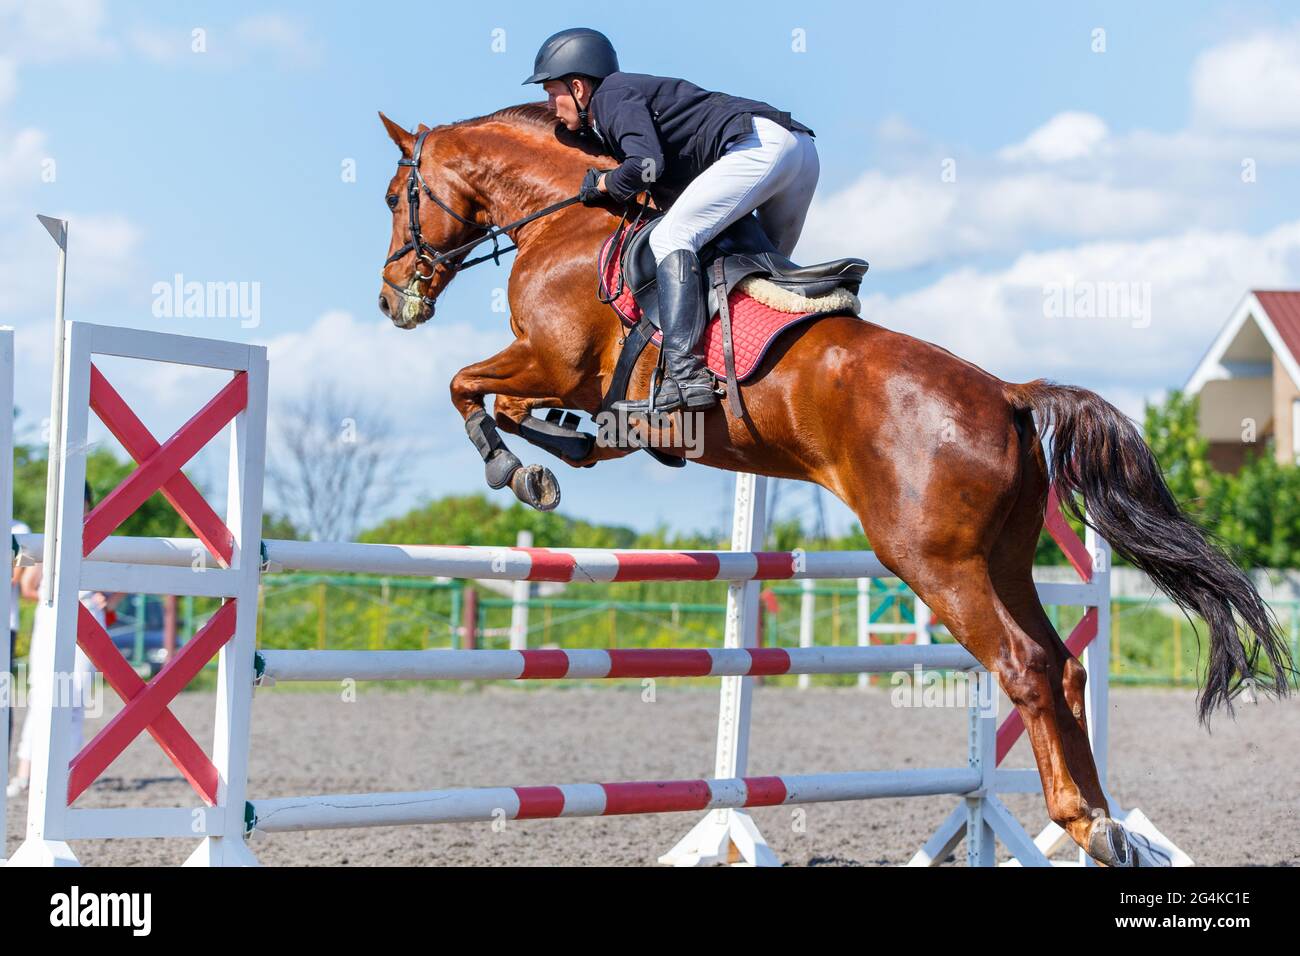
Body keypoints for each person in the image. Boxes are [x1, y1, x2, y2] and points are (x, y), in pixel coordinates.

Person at [524, 27, 820, 413]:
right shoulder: (624, 100)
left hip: (760, 147)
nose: (550, 104)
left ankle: (685, 376)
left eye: (551, 92)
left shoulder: (611, 96)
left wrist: (603, 185)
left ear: (578, 88)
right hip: (800, 153)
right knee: (758, 276)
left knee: (670, 238)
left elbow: (646, 166)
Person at [7, 485, 111, 800]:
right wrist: (61, 596)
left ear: (88, 504)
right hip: (53, 615)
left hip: (90, 617)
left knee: (77, 695)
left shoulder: (103, 540)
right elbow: (28, 586)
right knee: (43, 693)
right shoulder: (48, 537)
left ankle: (68, 772)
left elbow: (120, 582)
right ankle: (25, 773)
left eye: (80, 502)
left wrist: (106, 597)